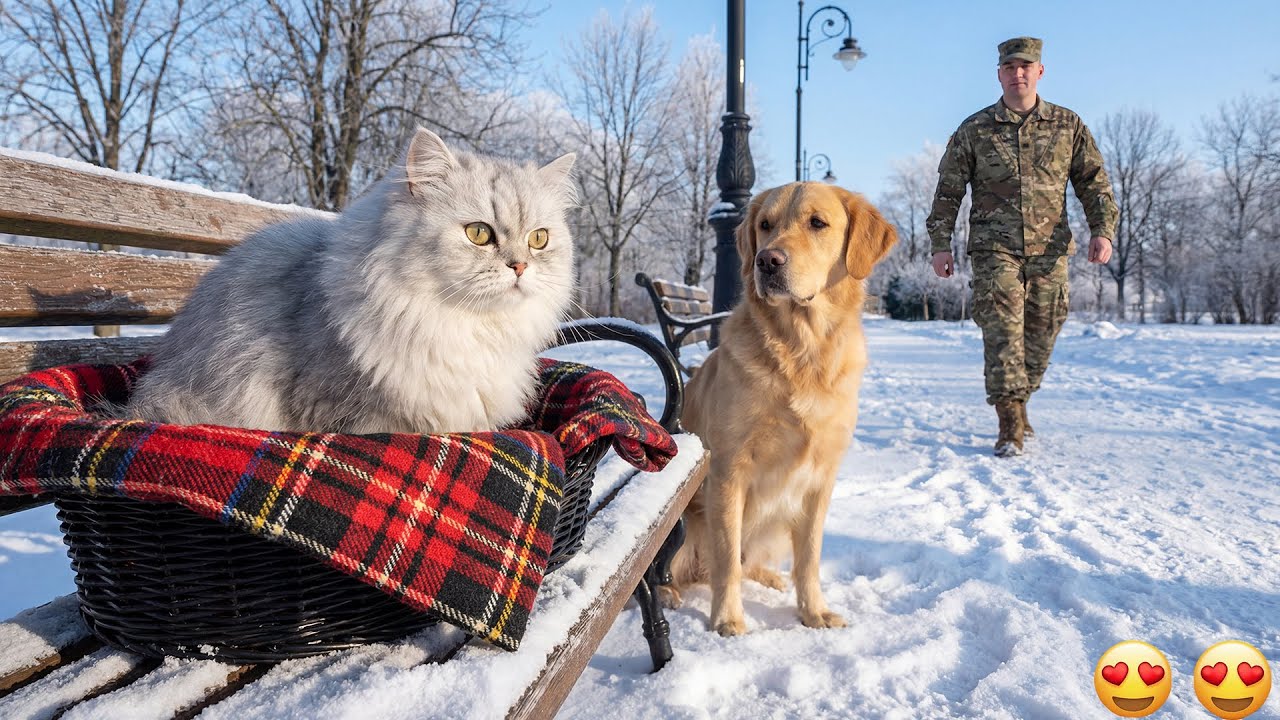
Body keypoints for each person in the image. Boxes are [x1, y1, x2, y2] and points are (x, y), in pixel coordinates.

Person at [926, 37, 1118, 457]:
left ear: (1040, 71)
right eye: (1010, 67)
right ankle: (1009, 421)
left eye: (1026, 66)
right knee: (1002, 331)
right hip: (995, 249)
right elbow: (948, 192)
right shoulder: (974, 130)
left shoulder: (1068, 125)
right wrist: (941, 244)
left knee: (1042, 331)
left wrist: (1102, 229)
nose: (1018, 73)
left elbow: (1094, 183)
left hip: (1051, 250)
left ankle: (1021, 397)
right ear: (999, 73)